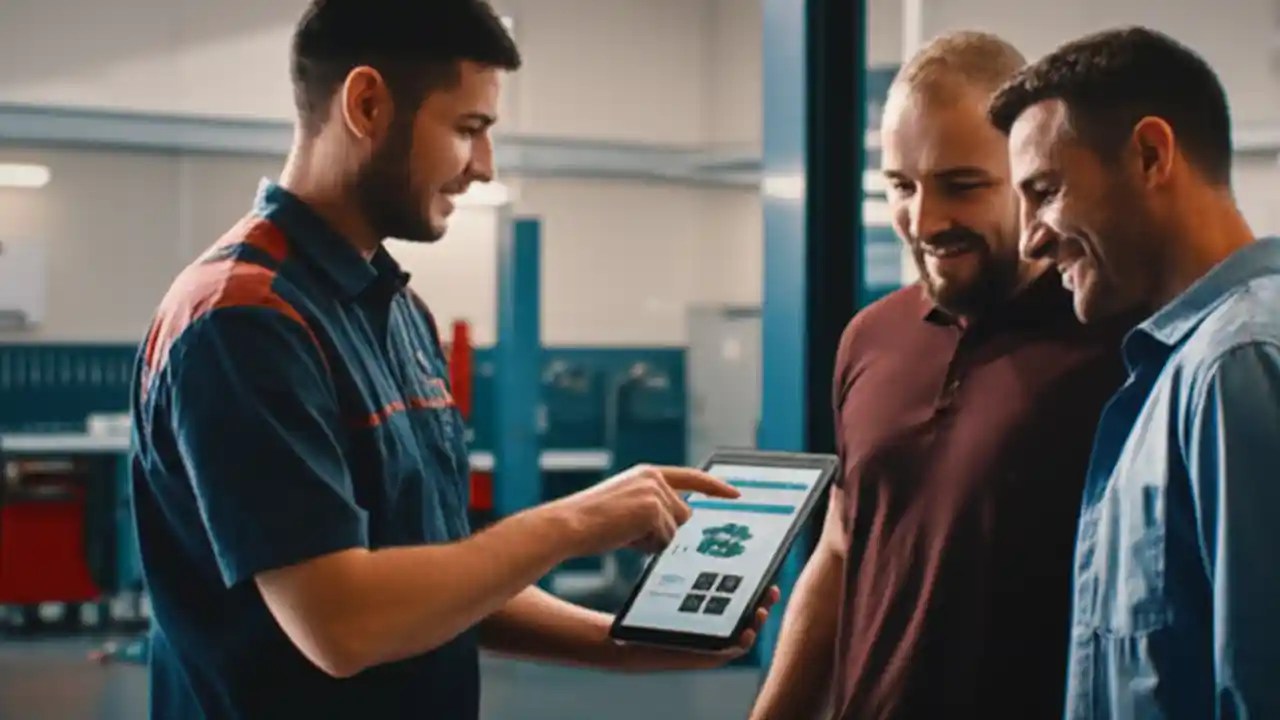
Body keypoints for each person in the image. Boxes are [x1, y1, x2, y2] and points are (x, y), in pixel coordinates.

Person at [127, 2, 776, 718]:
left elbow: (439, 578)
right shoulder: (242, 320)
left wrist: (622, 644)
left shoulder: (398, 311)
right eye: (468, 129)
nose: (483, 167)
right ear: (367, 104)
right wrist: (575, 523)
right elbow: (341, 623)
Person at [749, 32, 1135, 720]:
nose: (924, 221)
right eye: (901, 186)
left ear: (1031, 178)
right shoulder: (870, 339)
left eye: (962, 185)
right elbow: (842, 547)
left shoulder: (1116, 345)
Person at [989, 26, 1280, 719]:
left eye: (1046, 191)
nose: (1030, 239)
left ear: (1151, 155)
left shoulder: (1235, 366)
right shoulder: (1174, 371)